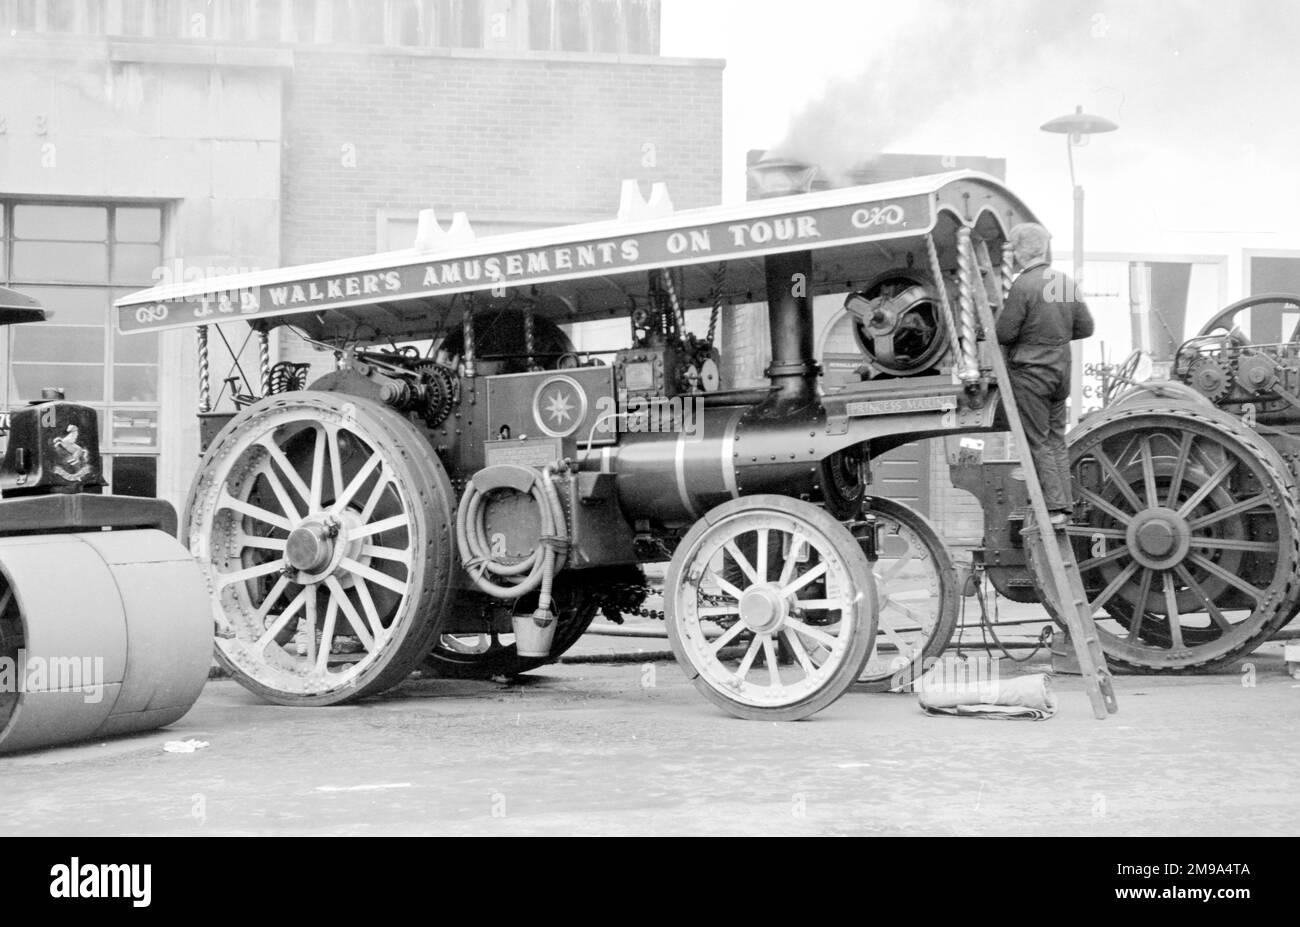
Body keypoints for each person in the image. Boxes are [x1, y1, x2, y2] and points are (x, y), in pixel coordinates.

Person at [995, 222, 1094, 528]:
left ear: (1020, 251)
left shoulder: (1023, 285)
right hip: (1060, 371)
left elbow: (1004, 332)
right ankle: (1064, 506)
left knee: (1037, 441)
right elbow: (1086, 327)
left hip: (1031, 374)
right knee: (1055, 440)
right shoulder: (1063, 281)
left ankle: (1054, 509)